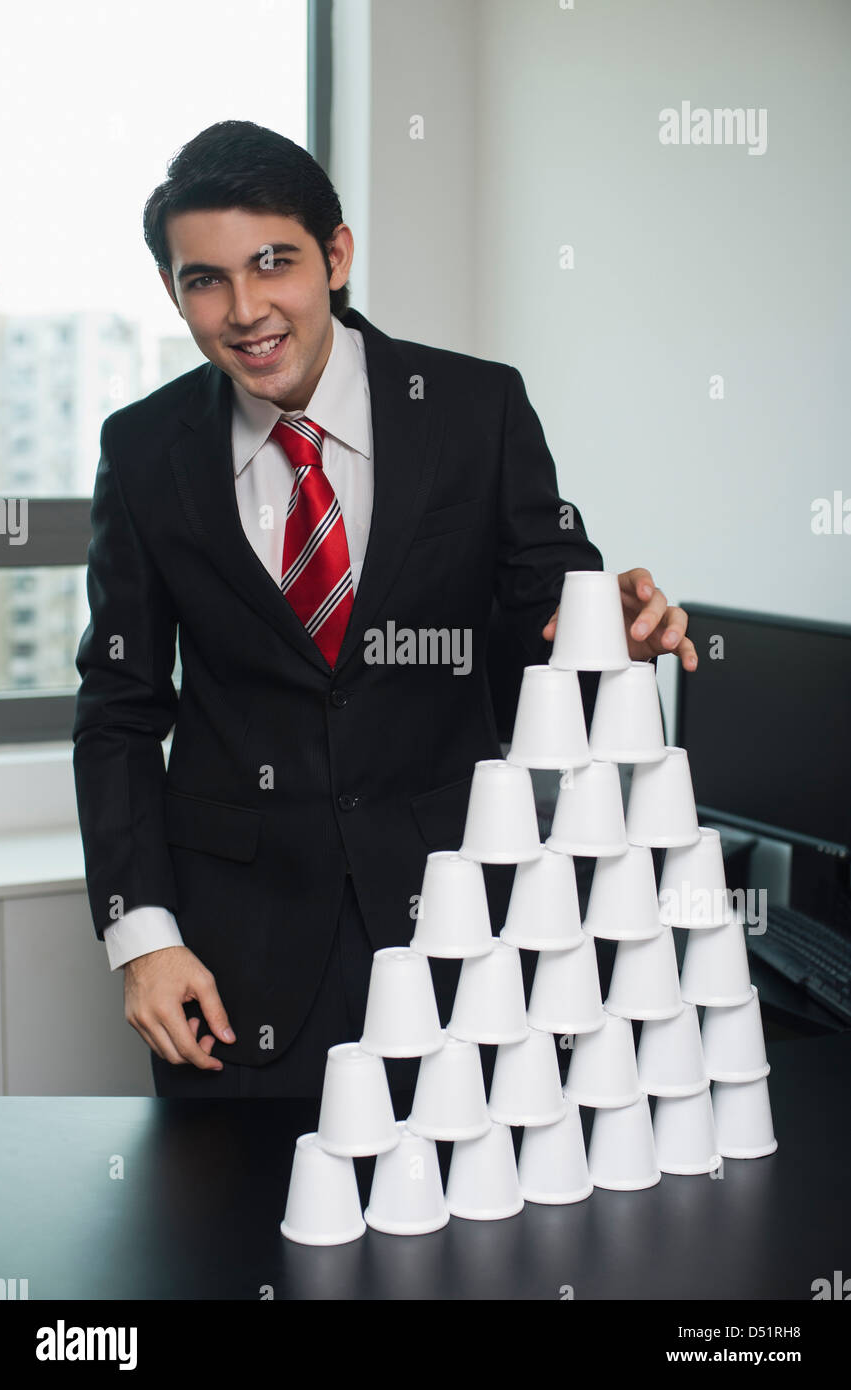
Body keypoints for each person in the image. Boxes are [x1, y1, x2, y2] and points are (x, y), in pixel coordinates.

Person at [72, 120, 698, 1101]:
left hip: (462, 931)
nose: (244, 309)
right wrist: (141, 937)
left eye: (272, 263)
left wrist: (605, 631)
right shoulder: (144, 449)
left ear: (336, 255)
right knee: (225, 1244)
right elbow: (118, 707)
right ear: (173, 291)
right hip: (234, 962)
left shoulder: (474, 409)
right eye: (205, 280)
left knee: (480, 1243)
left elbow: (549, 619)